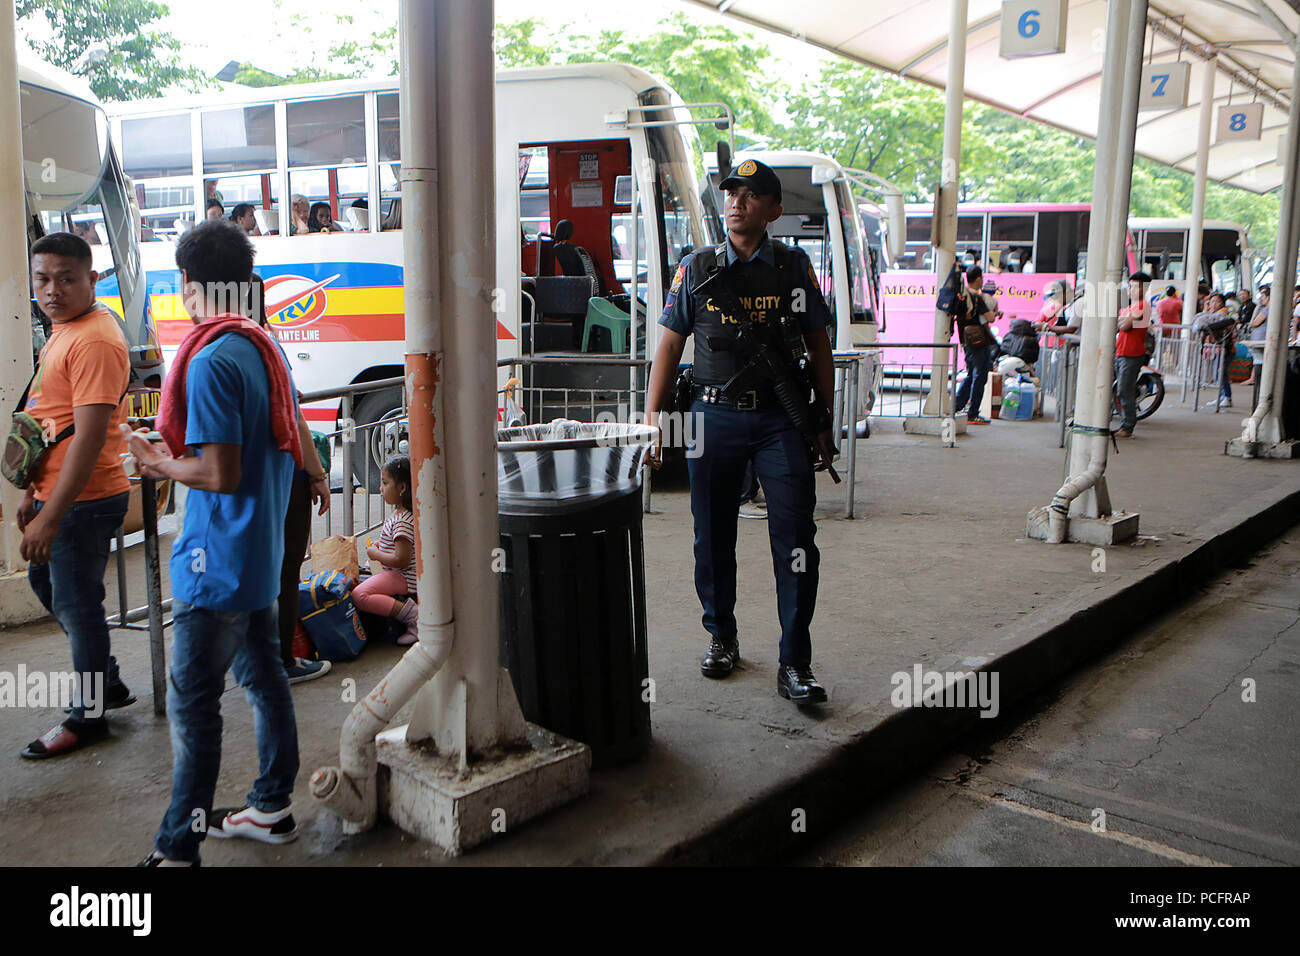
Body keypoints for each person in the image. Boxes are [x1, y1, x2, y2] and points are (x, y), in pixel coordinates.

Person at [126, 219, 304, 865]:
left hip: (216, 563)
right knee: (264, 679)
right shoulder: (262, 345)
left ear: (188, 284)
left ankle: (178, 847)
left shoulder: (210, 359)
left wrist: (156, 463)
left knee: (194, 704)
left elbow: (218, 473)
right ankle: (271, 806)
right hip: (257, 557)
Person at [643, 159, 835, 705]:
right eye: (731, 193)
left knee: (796, 539)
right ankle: (721, 637)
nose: (736, 202)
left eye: (751, 195)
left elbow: (818, 343)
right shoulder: (698, 266)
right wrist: (654, 420)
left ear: (774, 210)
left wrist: (820, 417)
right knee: (711, 535)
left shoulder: (794, 269)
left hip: (780, 420)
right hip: (711, 417)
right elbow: (669, 346)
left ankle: (795, 662)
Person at [17, 233, 132, 760]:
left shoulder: (94, 340)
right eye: (42, 278)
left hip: (85, 498)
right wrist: (33, 492)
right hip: (59, 489)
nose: (52, 289)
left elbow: (87, 436)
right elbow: (51, 420)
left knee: (77, 604)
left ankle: (87, 718)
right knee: (53, 586)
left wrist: (51, 515)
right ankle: (105, 681)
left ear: (92, 277)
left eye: (66, 278)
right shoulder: (64, 330)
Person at [248, 274, 332, 683]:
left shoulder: (212, 347)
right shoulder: (266, 345)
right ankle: (280, 661)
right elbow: (295, 418)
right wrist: (316, 474)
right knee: (284, 570)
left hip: (245, 485)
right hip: (285, 477)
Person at [354, 456, 420, 645]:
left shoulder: (402, 521)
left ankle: (414, 618)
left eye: (385, 483)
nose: (381, 488)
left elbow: (402, 560)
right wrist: (381, 548)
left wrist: (375, 554)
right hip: (397, 573)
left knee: (360, 596)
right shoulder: (403, 515)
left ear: (402, 488)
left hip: (402, 576)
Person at [952, 264, 993, 425]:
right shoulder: (976, 297)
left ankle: (956, 406)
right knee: (979, 376)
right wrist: (994, 313)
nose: (982, 281)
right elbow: (989, 318)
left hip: (966, 341)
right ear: (977, 279)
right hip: (978, 341)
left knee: (970, 374)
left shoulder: (962, 295)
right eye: (982, 278)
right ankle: (973, 412)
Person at [1114, 271, 1152, 438]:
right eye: (1130, 286)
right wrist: (1124, 320)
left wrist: (1124, 320)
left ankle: (1128, 426)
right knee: (1120, 389)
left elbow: (1124, 326)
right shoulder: (1129, 307)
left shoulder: (1143, 305)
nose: (1131, 290)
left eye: (1135, 286)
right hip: (1121, 351)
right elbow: (1120, 324)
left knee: (1125, 390)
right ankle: (1125, 423)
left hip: (1132, 353)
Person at [1193, 292, 1236, 409]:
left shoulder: (1223, 313)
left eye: (1216, 301)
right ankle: (1223, 396)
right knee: (1219, 372)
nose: (1213, 304)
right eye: (1211, 301)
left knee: (1221, 372)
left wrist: (1207, 311)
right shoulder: (1212, 314)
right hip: (1217, 348)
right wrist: (1206, 309)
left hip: (1226, 348)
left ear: (1222, 303)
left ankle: (1227, 397)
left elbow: (1209, 322)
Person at [1245, 285, 1269, 394]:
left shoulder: (1266, 309)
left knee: (1259, 362)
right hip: (1263, 338)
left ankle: (1258, 385)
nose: (1261, 299)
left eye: (1263, 296)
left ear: (1268, 297)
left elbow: (1255, 322)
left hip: (1260, 339)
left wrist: (1250, 324)